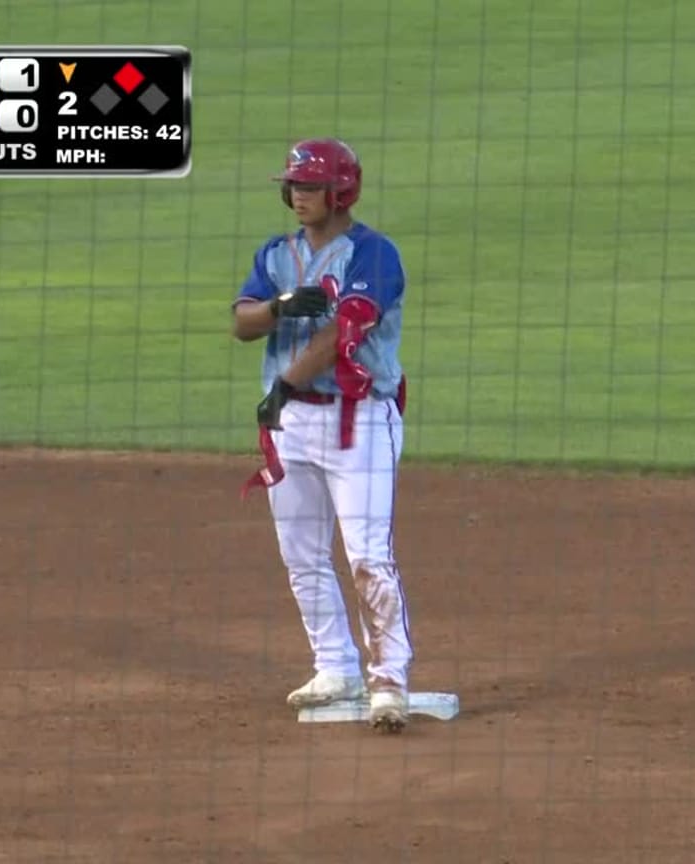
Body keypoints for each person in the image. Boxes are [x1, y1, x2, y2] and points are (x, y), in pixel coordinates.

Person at [231, 137, 415, 732]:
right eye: (295, 185)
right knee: (302, 554)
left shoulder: (374, 255)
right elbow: (242, 322)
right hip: (293, 422)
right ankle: (333, 664)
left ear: (342, 192)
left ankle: (389, 680)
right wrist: (281, 306)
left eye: (311, 186)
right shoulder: (276, 254)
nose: (299, 195)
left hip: (357, 421)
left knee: (367, 555)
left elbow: (344, 334)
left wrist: (284, 383)